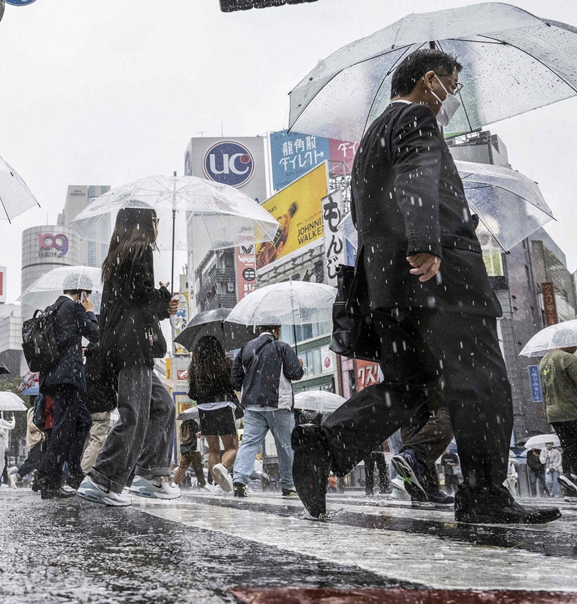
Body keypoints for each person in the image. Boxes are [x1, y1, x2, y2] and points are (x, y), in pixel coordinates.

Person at [291, 49, 560, 524]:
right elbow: (418, 175)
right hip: (440, 279)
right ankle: (483, 493)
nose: (450, 99)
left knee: (409, 385)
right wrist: (425, 242)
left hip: (390, 288)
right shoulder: (416, 118)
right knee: (481, 380)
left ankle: (325, 444)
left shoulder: (373, 135)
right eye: (451, 87)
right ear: (430, 80)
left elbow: (363, 215)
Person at [78, 206, 180, 506]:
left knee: (162, 405)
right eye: (155, 221)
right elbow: (140, 298)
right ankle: (102, 479)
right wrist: (164, 300)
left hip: (124, 346)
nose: (157, 227)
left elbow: (132, 299)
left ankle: (150, 472)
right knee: (133, 415)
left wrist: (158, 300)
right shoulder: (140, 250)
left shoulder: (121, 255)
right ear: (143, 223)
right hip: (132, 347)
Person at [37, 288, 99, 499]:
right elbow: (94, 333)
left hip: (53, 376)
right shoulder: (73, 307)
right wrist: (89, 311)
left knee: (81, 421)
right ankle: (48, 478)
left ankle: (72, 471)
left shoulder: (51, 308)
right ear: (82, 294)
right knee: (64, 427)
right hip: (66, 376)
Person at [230, 325, 303, 498]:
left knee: (249, 443)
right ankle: (289, 485)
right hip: (279, 404)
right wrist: (299, 365)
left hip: (253, 405)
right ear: (277, 330)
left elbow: (234, 381)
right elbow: (295, 374)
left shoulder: (246, 349)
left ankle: (240, 481)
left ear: (260, 328)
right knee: (285, 446)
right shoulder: (282, 347)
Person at [187, 336, 239, 494]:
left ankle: (217, 485)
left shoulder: (194, 368)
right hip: (223, 406)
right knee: (232, 448)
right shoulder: (226, 364)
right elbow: (234, 385)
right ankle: (222, 468)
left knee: (213, 450)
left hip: (204, 410)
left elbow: (192, 394)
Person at [540, 346, 577, 496]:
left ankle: (569, 476)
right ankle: (571, 476)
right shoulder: (568, 358)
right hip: (571, 409)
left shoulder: (544, 361)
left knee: (568, 445)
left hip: (553, 412)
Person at [79, 343, 115, 477]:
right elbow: (112, 381)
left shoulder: (86, 362)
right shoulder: (105, 360)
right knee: (96, 441)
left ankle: (75, 470)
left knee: (84, 441)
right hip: (101, 406)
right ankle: (82, 472)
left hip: (86, 406)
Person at [174, 419, 206, 489]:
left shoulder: (183, 424)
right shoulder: (193, 423)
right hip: (193, 448)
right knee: (198, 467)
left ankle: (175, 482)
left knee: (182, 466)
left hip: (184, 448)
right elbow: (198, 435)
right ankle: (202, 484)